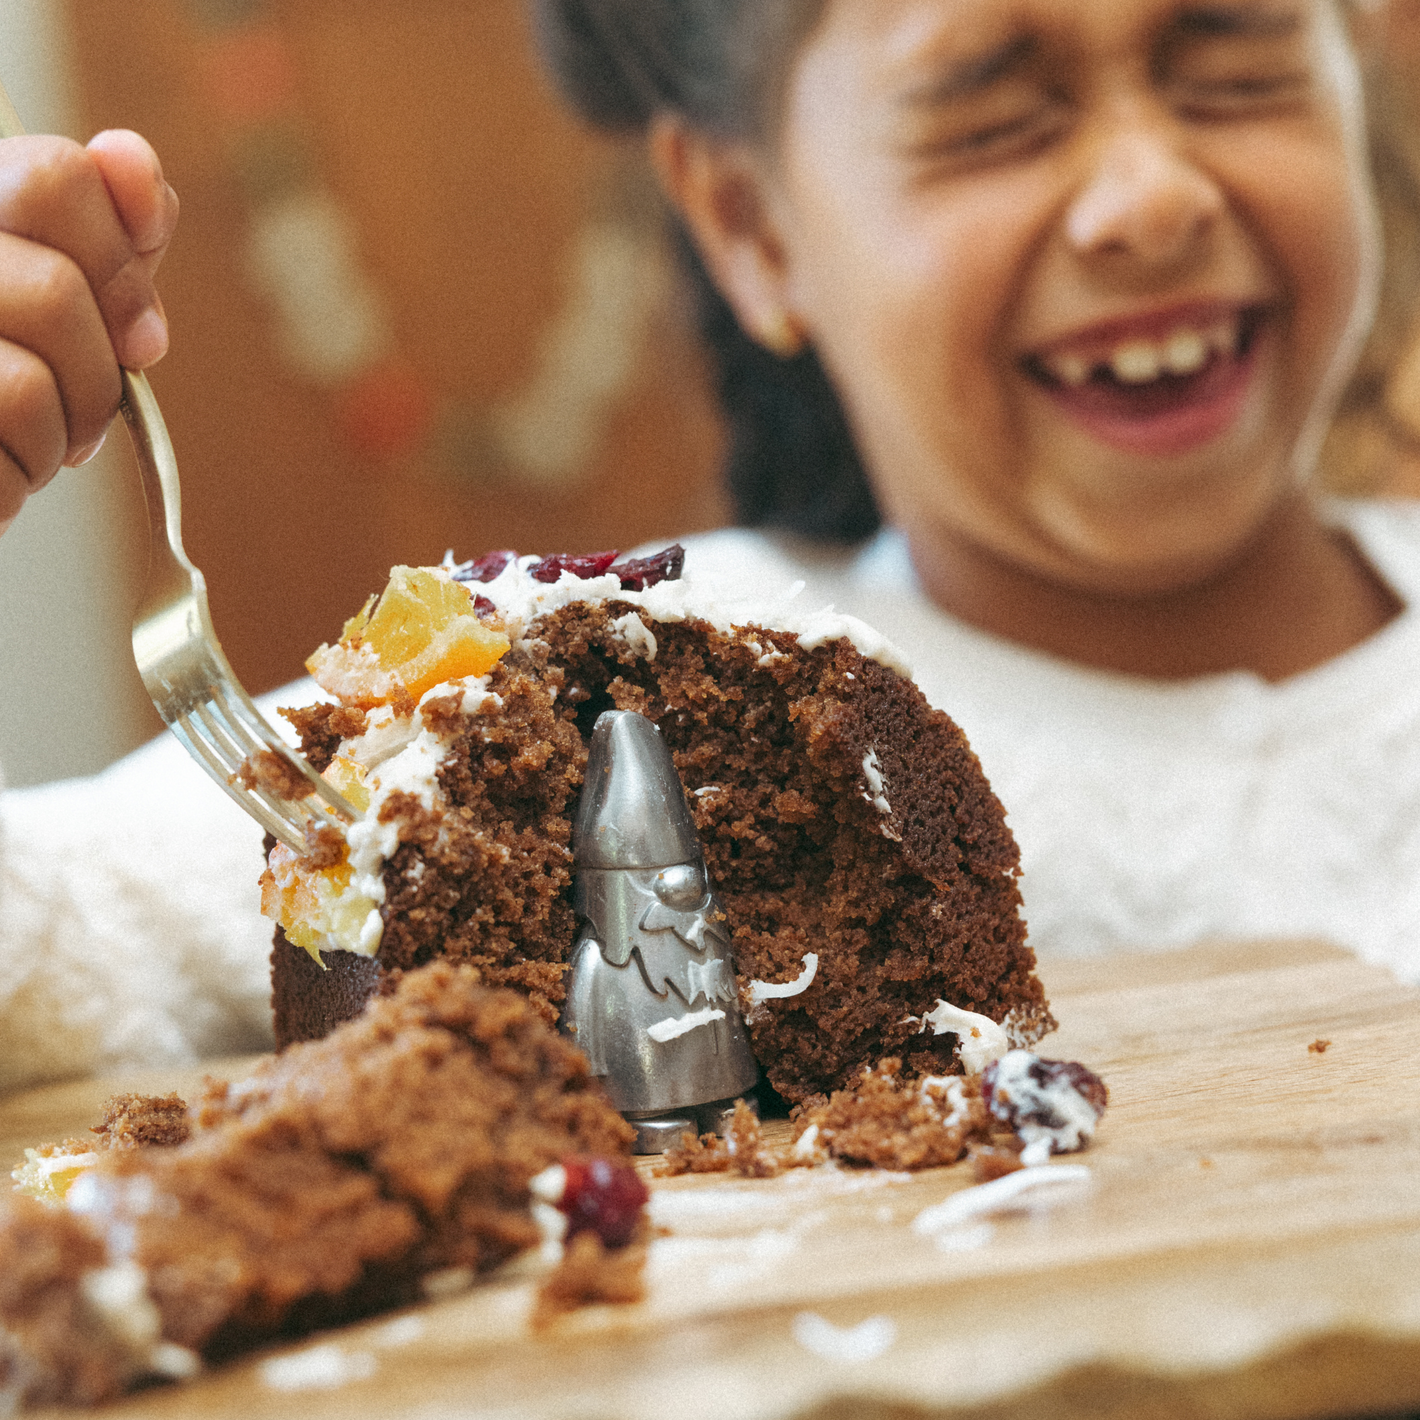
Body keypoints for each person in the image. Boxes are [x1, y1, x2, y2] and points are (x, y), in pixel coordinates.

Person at [0, 0, 1417, 1094]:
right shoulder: (635, 711)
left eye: (1235, 70)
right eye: (992, 121)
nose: (1152, 199)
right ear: (750, 226)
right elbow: (51, 942)